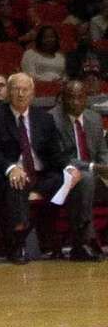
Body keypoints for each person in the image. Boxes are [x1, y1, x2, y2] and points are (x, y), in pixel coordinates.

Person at [0, 72, 76, 262]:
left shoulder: (44, 119)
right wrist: (11, 168)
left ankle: (57, 239)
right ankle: (18, 244)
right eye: (16, 89)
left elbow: (55, 153)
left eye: (25, 90)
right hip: (12, 176)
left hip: (40, 176)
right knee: (17, 183)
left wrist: (69, 167)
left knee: (63, 179)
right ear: (8, 92)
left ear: (32, 94)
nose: (20, 94)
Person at [49, 78, 106, 258]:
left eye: (80, 97)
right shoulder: (52, 118)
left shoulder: (94, 118)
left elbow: (103, 151)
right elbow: (60, 156)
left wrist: (105, 167)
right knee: (86, 178)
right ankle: (84, 241)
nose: (75, 102)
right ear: (63, 99)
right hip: (63, 174)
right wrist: (93, 167)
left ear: (86, 98)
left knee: (89, 178)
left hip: (95, 173)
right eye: (70, 97)